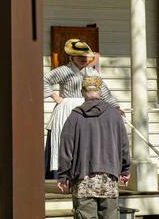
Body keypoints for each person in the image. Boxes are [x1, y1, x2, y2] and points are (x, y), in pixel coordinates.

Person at [56, 73, 131, 219]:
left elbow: (66, 149)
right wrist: (125, 168)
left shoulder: (75, 116)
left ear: (82, 93)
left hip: (83, 179)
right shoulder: (115, 116)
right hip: (109, 178)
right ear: (100, 92)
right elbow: (124, 145)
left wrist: (63, 175)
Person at [44, 38, 114, 179]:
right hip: (67, 109)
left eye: (85, 57)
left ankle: (83, 173)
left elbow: (104, 91)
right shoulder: (65, 70)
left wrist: (115, 107)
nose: (83, 59)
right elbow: (43, 80)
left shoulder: (92, 73)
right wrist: (55, 96)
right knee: (66, 140)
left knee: (86, 140)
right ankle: (62, 175)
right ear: (72, 57)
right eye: (80, 56)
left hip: (88, 108)